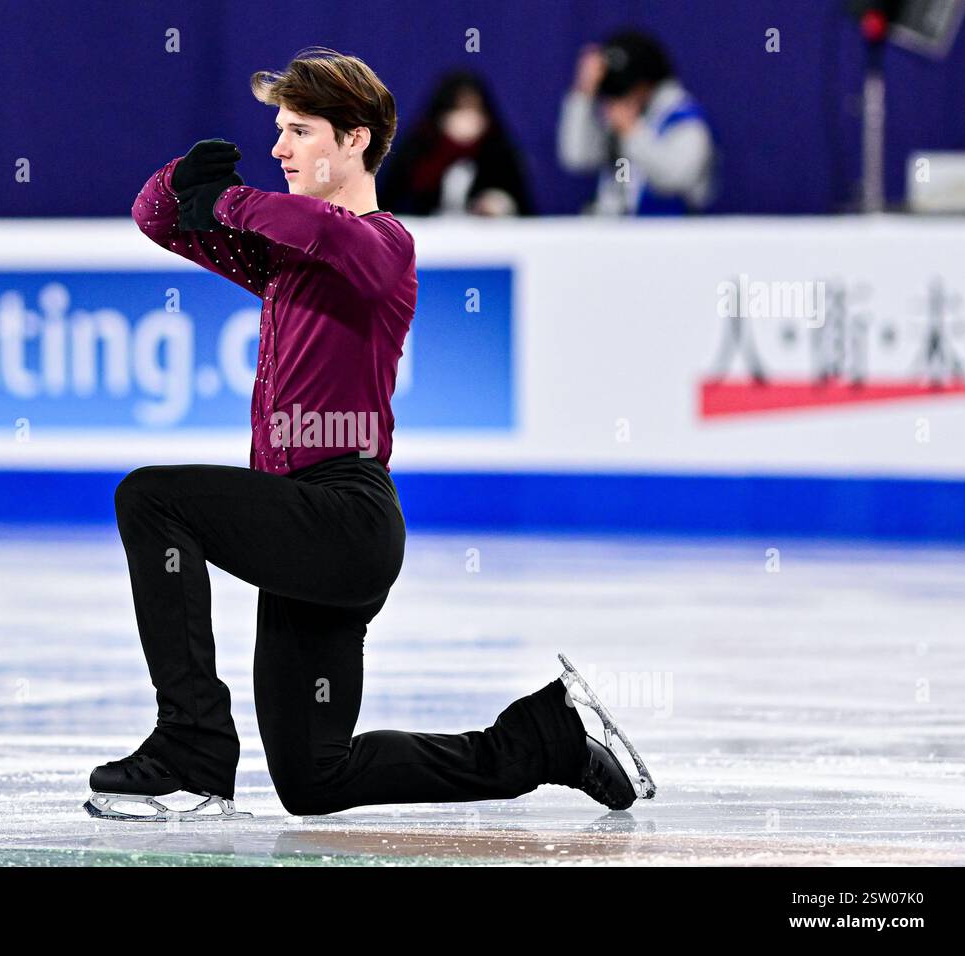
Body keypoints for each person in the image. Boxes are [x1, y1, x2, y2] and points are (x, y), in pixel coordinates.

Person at [85, 47, 647, 821]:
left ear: (355, 141)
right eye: (278, 130)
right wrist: (183, 180)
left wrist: (228, 202)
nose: (280, 148)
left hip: (345, 518)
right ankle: (544, 741)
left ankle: (189, 742)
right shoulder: (286, 258)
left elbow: (329, 235)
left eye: (301, 131)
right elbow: (160, 220)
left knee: (151, 500)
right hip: (301, 538)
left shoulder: (385, 247)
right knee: (315, 778)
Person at [558, 30, 716, 215]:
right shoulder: (616, 113)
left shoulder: (684, 120)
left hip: (672, 235)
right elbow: (577, 158)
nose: (622, 96)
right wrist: (583, 94)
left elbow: (675, 178)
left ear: (649, 82)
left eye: (629, 87)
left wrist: (633, 132)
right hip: (618, 234)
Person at [380, 70, 534, 216]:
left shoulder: (499, 148)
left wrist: (500, 203)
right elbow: (393, 197)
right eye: (458, 109)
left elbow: (522, 203)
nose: (465, 118)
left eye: (474, 109)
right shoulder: (420, 144)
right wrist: (448, 149)